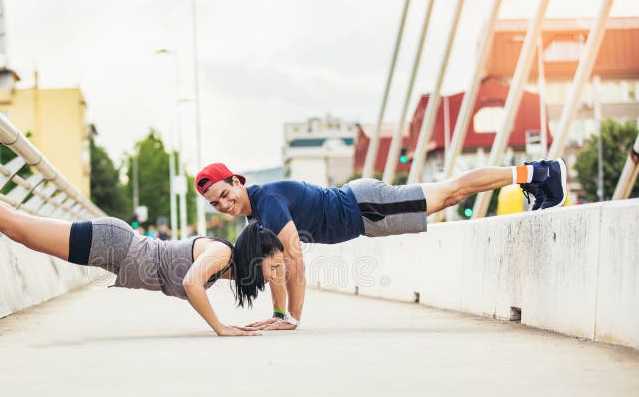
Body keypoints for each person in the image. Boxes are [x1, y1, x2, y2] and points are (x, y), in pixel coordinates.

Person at [0, 171, 285, 337]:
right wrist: (221, 328)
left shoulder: (230, 266)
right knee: (16, 225)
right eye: (275, 263)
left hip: (114, 249)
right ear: (256, 255)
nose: (278, 271)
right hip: (114, 244)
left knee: (19, 231)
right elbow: (190, 283)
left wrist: (282, 315)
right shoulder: (220, 253)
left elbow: (273, 275)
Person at [195, 158, 567, 331]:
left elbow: (294, 258)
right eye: (216, 204)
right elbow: (275, 265)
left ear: (238, 182)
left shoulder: (268, 202)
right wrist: (279, 316)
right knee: (449, 193)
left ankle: (540, 172)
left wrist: (293, 318)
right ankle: (537, 174)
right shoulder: (257, 214)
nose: (224, 205)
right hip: (364, 215)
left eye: (225, 194)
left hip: (365, 207)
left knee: (450, 192)